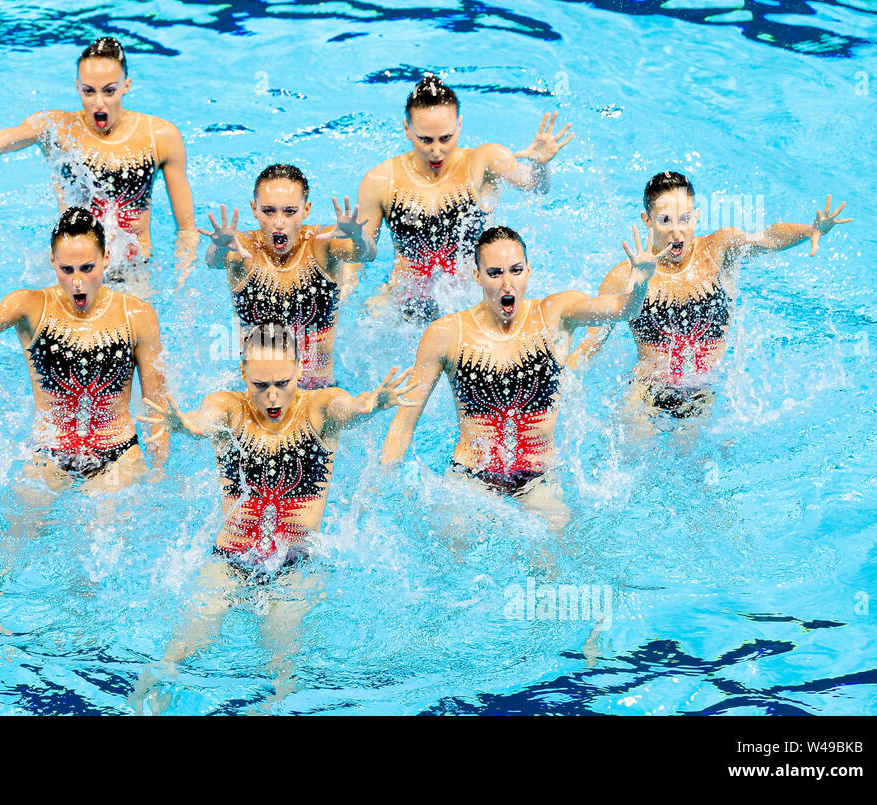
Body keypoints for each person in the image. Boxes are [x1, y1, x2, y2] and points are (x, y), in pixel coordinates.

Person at [129, 323, 417, 712]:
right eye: (260, 385)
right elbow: (203, 420)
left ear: (300, 369)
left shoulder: (318, 409)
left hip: (294, 565)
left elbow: (347, 407)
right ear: (243, 375)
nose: (272, 396)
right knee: (184, 642)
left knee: (281, 656)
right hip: (230, 561)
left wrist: (372, 404)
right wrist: (184, 426)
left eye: (282, 382)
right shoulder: (229, 407)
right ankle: (137, 704)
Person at [380, 225, 657, 528]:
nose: (507, 284)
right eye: (495, 273)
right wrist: (377, 492)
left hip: (537, 479)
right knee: (452, 541)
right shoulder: (446, 334)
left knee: (554, 539)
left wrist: (640, 283)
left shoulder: (555, 314)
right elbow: (403, 427)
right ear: (477, 275)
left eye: (516, 270)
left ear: (529, 271)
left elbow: (622, 309)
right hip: (470, 479)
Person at [0, 207, 167, 492]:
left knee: (102, 519)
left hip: (118, 454)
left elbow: (157, 406)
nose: (77, 281)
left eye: (87, 268)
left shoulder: (137, 315)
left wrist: (160, 471)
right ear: (52, 261)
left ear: (106, 258)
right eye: (66, 269)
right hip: (49, 454)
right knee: (20, 520)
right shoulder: (30, 306)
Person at [570, 171, 851, 418]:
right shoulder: (624, 276)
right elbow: (589, 347)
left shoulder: (719, 250)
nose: (677, 231)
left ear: (697, 216)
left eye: (685, 218)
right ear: (648, 221)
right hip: (645, 389)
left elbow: (768, 238)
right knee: (631, 449)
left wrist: (810, 230)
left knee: (696, 464)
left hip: (701, 390)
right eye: (665, 220)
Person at [0, 36, 196, 276]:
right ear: (77, 87)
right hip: (72, 269)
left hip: (134, 270)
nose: (99, 102)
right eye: (88, 91)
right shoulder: (56, 128)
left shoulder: (160, 136)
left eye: (109, 91)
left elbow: (186, 231)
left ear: (126, 85)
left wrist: (184, 285)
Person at [355, 74, 574, 323]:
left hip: (472, 297)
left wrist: (539, 165)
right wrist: (354, 240)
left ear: (459, 125)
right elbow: (365, 256)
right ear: (407, 129)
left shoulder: (484, 161)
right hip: (408, 301)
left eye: (445, 138)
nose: (436, 150)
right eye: (425, 139)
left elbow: (537, 187)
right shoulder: (381, 181)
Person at [202, 163, 373, 389]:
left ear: (306, 209)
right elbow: (212, 262)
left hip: (317, 390)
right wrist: (220, 246)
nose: (279, 222)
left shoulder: (322, 244)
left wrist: (359, 237)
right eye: (269, 211)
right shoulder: (242, 247)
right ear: (254, 209)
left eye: (290, 211)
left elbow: (367, 254)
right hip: (259, 393)